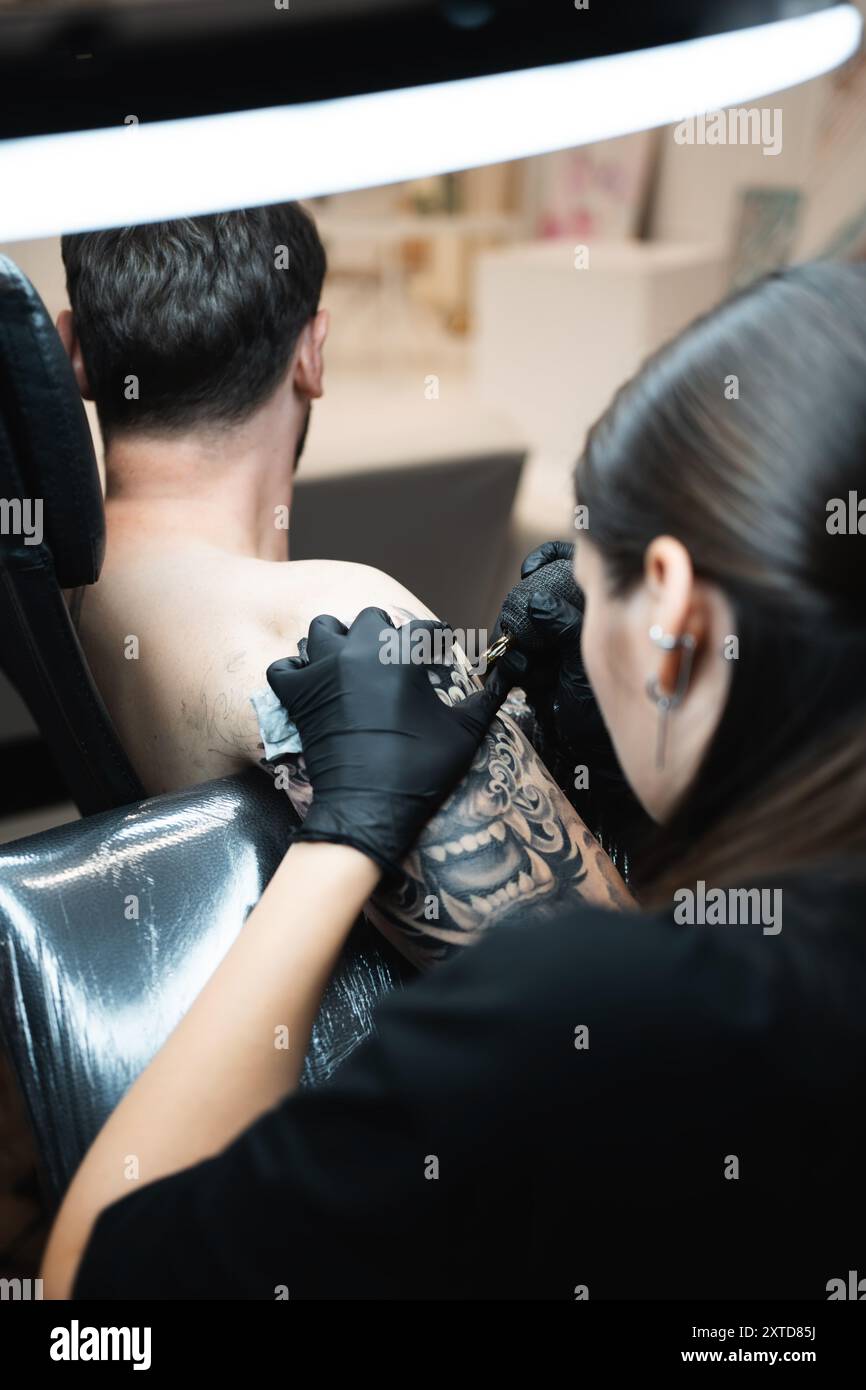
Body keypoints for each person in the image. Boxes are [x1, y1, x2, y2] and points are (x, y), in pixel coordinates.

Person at [43, 260, 866, 1300]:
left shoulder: (597, 1007)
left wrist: (343, 840)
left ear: (672, 619)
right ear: (313, 351)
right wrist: (617, 807)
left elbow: (97, 1289)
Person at [57, 203, 630, 967]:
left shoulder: (62, 592)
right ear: (312, 355)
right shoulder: (330, 622)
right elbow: (612, 1000)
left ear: (73, 354)